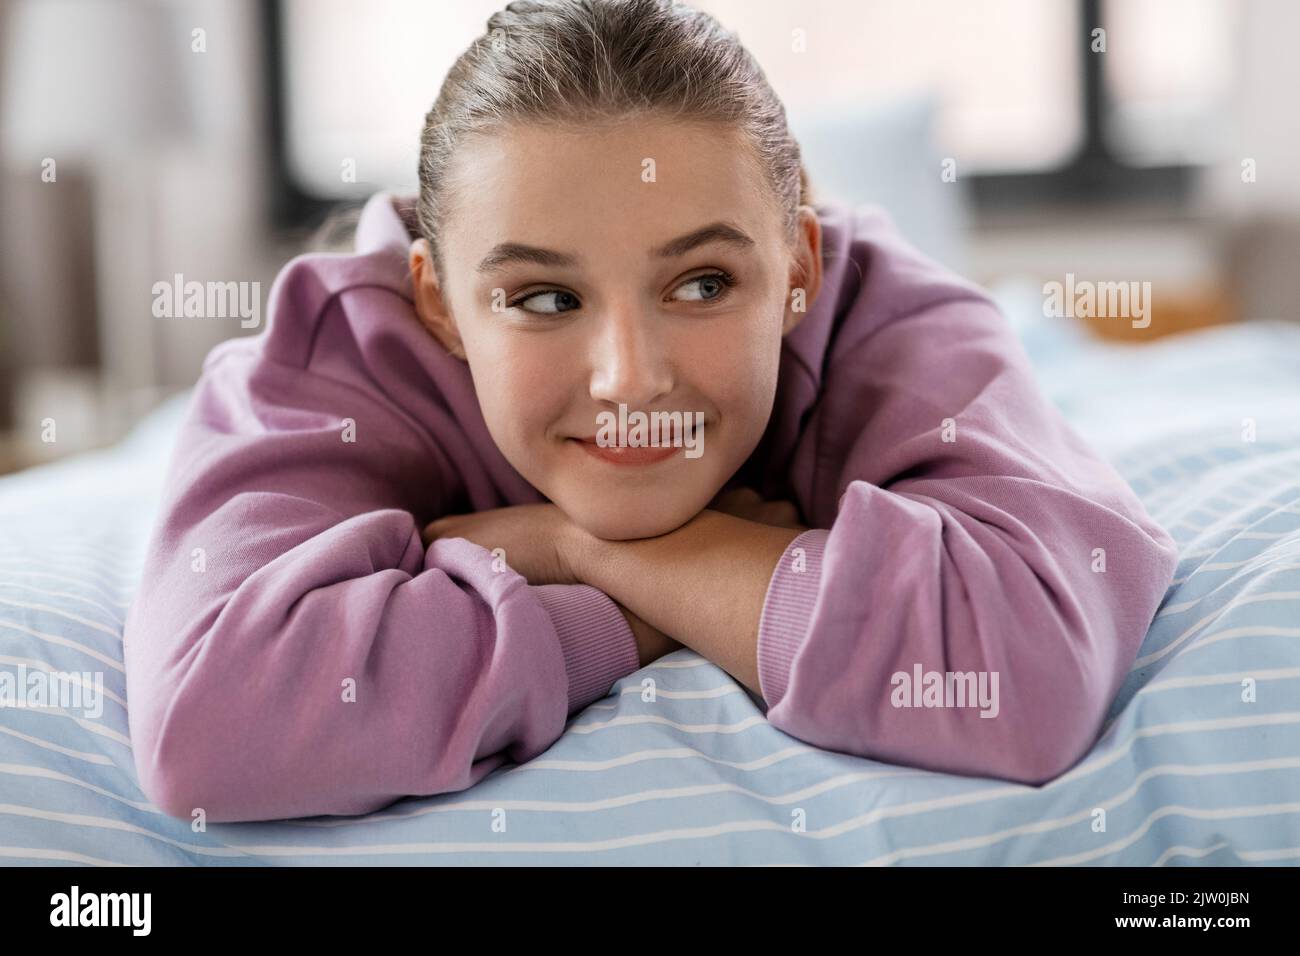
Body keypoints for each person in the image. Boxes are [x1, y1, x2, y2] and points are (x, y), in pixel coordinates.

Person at [124, 0, 1179, 822]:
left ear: (797, 266)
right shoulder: (329, 358)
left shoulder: (897, 320)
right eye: (544, 298)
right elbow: (206, 728)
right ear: (440, 303)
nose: (630, 379)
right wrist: (642, 602)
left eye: (703, 284)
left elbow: (1023, 668)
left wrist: (584, 547)